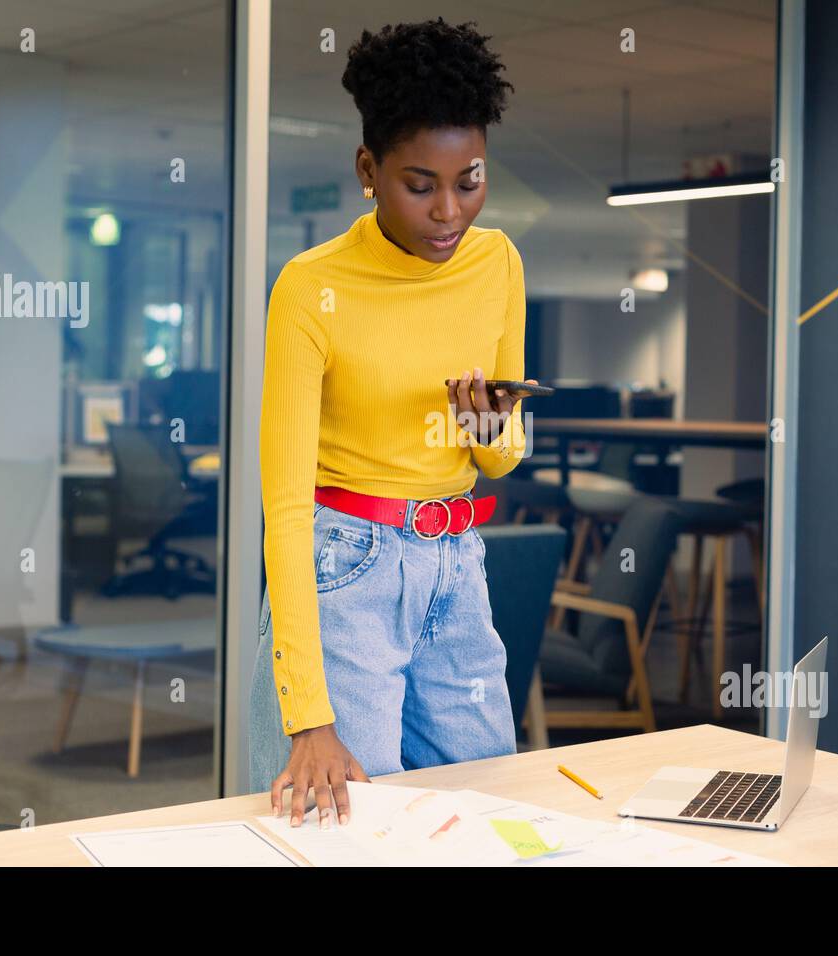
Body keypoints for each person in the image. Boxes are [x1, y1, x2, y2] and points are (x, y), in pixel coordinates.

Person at [249, 17, 539, 829]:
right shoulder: (311, 288)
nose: (450, 211)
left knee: (485, 812)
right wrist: (310, 716)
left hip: (459, 559)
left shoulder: (498, 263)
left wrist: (485, 431)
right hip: (348, 569)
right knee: (348, 829)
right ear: (369, 170)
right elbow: (285, 508)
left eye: (470, 179)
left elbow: (503, 458)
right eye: (421, 185)